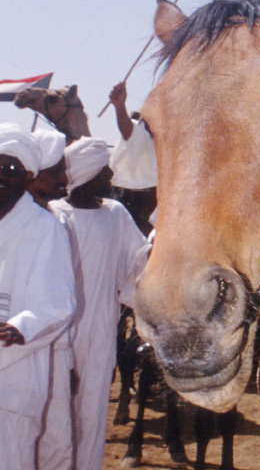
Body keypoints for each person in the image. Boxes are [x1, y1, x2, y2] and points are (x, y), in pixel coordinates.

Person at [50, 137, 149, 470]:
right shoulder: (52, 215)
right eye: (104, 168)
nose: (110, 173)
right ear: (86, 172)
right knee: (54, 415)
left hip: (101, 330)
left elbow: (136, 267)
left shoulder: (116, 215)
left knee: (92, 412)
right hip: (54, 332)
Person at [0, 125, 76, 470]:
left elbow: (58, 304)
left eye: (12, 169)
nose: (3, 176)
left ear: (28, 176)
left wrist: (20, 326)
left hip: (13, 381)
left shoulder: (45, 229)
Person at [108, 81, 158, 235]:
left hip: (153, 201)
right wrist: (120, 107)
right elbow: (128, 131)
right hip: (130, 200)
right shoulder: (141, 130)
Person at [28, 128, 68, 206]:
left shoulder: (60, 216)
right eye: (54, 173)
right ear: (30, 176)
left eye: (64, 171)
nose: (65, 180)